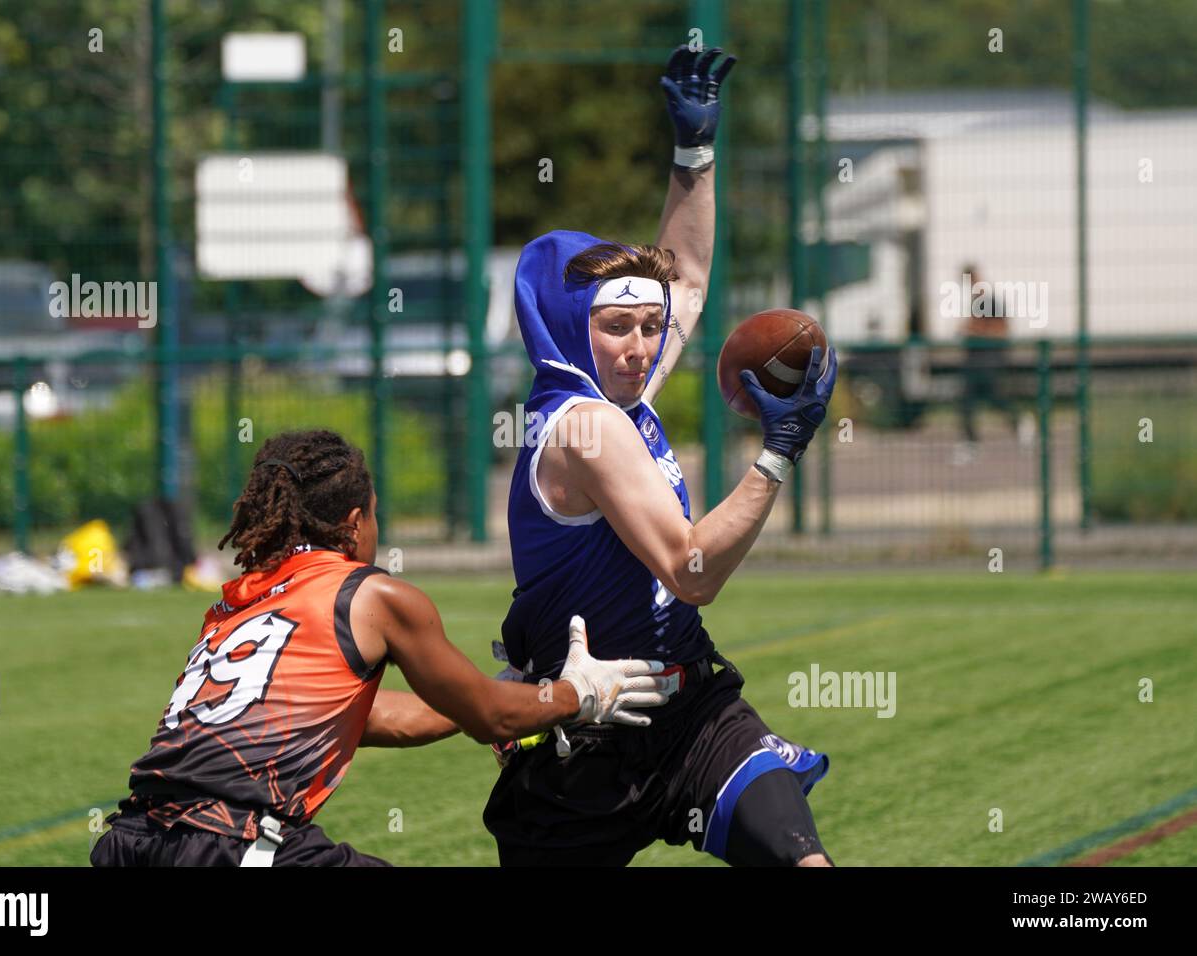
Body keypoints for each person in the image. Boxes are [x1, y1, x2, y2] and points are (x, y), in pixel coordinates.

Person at [482, 45, 839, 867]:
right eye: (620, 328)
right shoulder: (586, 428)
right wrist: (780, 450)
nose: (645, 346)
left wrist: (693, 155)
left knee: (804, 862)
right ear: (573, 329)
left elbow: (692, 275)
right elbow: (692, 571)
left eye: (651, 327)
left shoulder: (620, 391)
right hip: (586, 740)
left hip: (691, 709)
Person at [91, 430, 674, 867]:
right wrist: (578, 694)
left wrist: (519, 693)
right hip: (230, 844)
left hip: (130, 841)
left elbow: (375, 717)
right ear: (352, 522)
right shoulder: (372, 596)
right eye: (374, 514)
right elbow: (488, 718)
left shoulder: (238, 603)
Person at [955, 263, 1024, 463]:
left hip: (988, 358)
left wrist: (975, 332)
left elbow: (1001, 328)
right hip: (975, 358)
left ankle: (1020, 425)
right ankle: (970, 443)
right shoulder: (977, 300)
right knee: (966, 402)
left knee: (995, 398)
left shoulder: (988, 299)